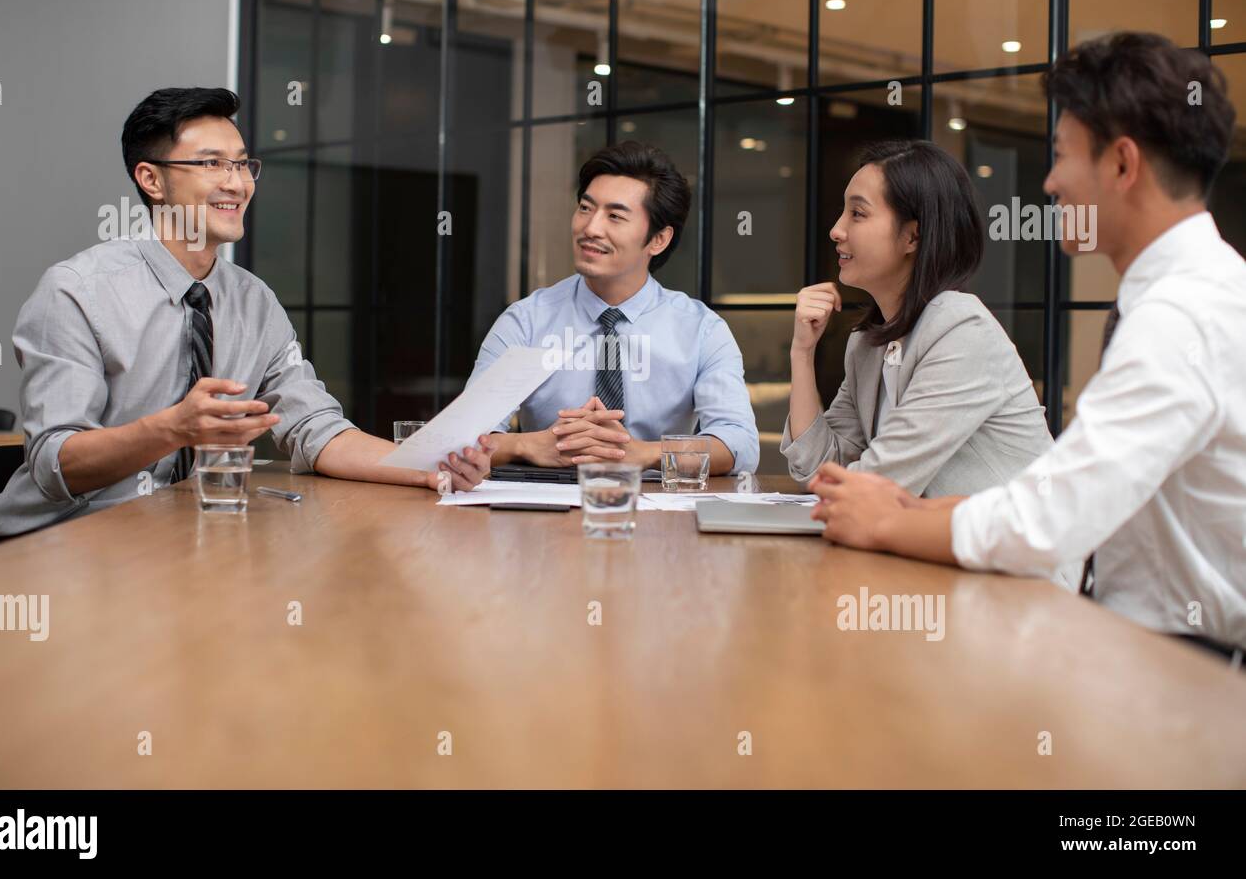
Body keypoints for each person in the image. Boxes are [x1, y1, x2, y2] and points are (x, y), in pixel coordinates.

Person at [810, 33, 1246, 662]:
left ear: (1122, 165)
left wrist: (890, 518)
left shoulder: (1183, 314)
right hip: (1144, 642)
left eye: (1063, 155)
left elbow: (1053, 516)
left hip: (1187, 664)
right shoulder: (1180, 295)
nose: (1049, 183)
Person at [0, 87, 492, 536]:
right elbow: (54, 465)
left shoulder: (252, 299)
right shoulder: (76, 292)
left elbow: (315, 428)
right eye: (210, 164)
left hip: (178, 537)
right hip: (61, 542)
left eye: (242, 163)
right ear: (152, 181)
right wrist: (175, 428)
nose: (237, 183)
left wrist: (425, 469)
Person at [783, 140, 1052, 502]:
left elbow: (875, 487)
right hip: (931, 549)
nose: (836, 229)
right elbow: (818, 471)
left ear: (913, 236)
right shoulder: (867, 344)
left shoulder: (961, 331)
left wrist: (838, 488)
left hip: (1011, 554)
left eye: (857, 214)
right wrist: (802, 353)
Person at [469, 141, 759, 475]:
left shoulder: (701, 329)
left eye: (615, 216)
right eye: (585, 208)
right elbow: (463, 438)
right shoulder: (526, 321)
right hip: (543, 512)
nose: (590, 228)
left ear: (658, 239)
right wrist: (530, 444)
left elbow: (739, 445)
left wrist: (645, 454)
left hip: (658, 514)